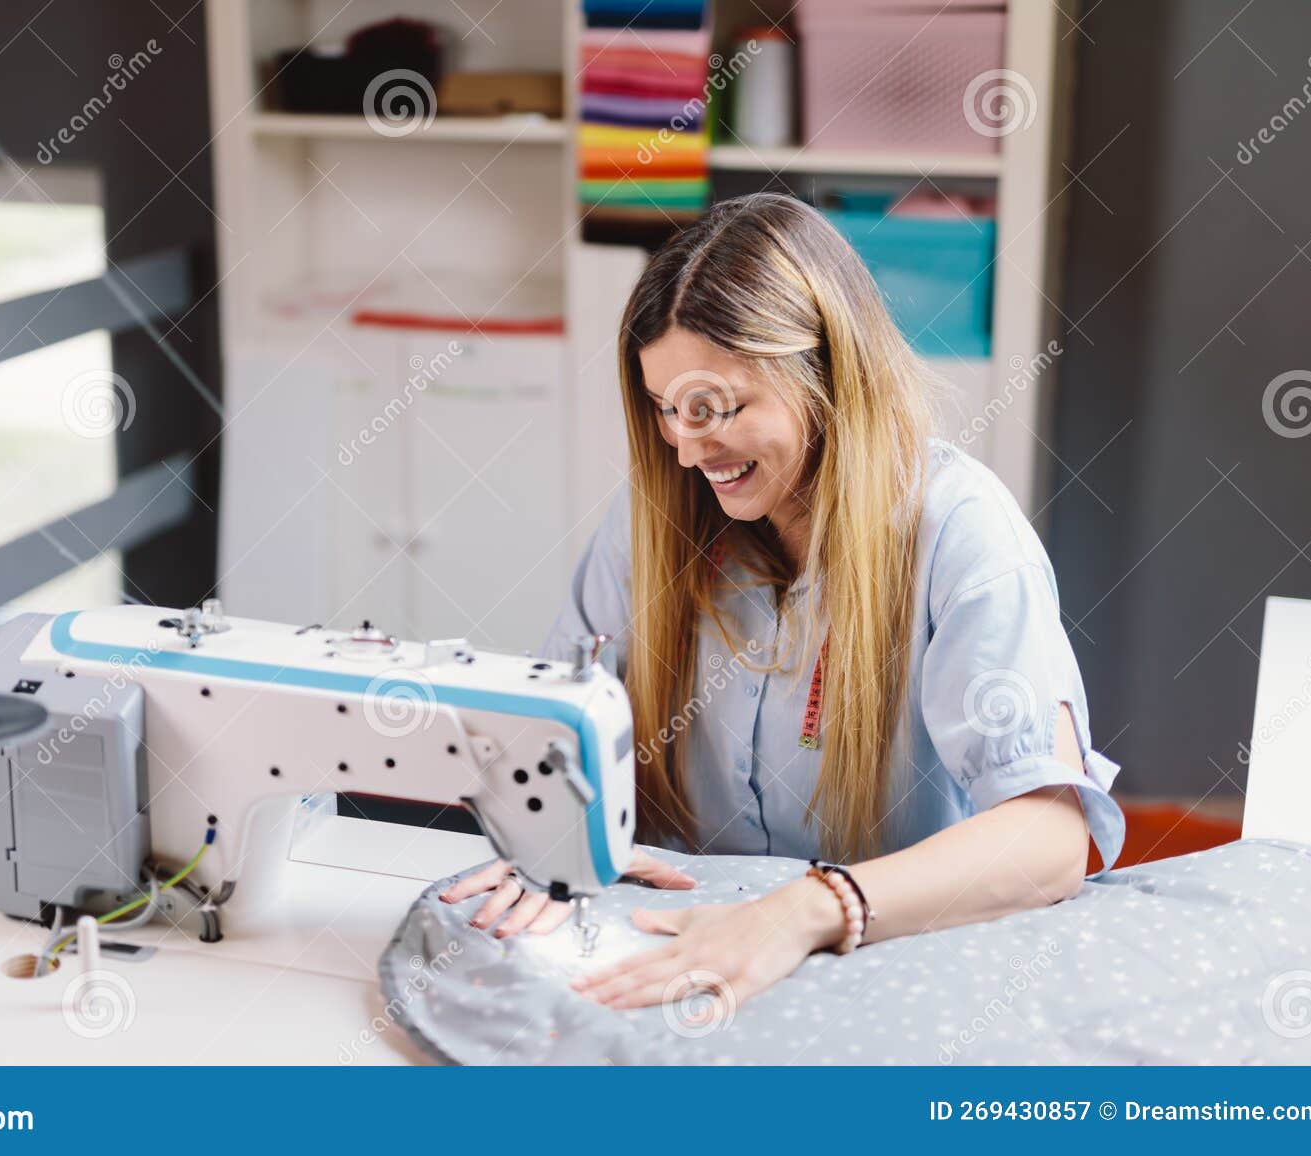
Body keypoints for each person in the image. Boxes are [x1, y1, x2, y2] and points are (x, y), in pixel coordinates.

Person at [442, 192, 1124, 1013]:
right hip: (674, 948)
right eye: (665, 410)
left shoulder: (961, 535)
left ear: (827, 373)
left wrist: (808, 909)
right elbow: (550, 736)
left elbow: (1049, 842)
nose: (687, 449)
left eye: (715, 407)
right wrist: (553, 838)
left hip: (888, 967)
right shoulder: (652, 529)